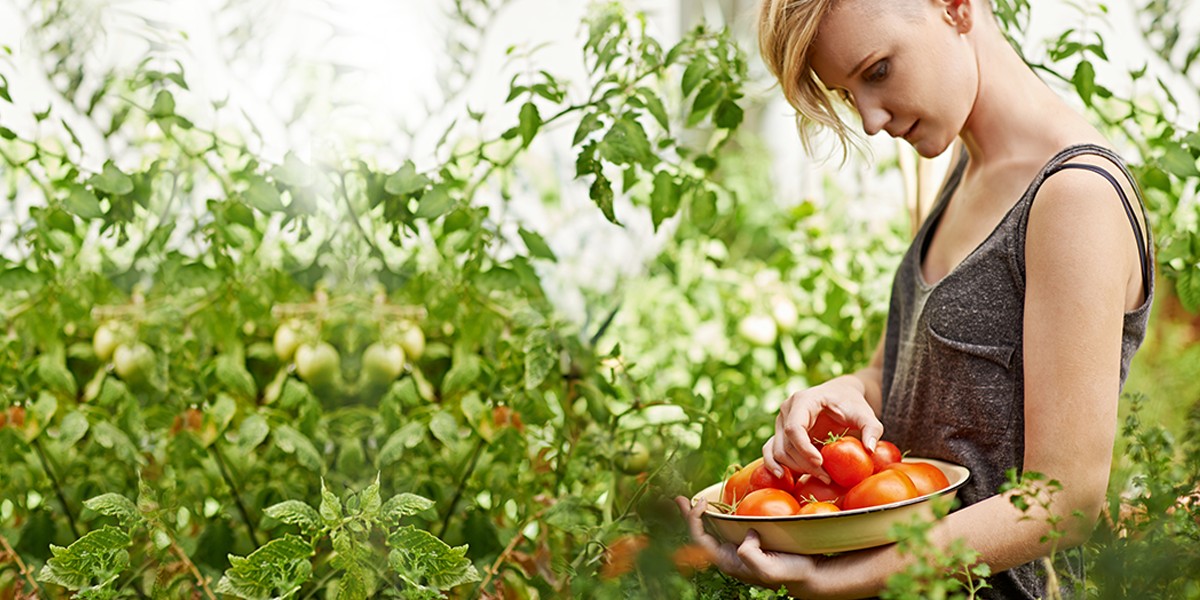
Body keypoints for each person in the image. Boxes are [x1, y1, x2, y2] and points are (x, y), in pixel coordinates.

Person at [675, 0, 1155, 598]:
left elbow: (1063, 501)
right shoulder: (965, 169)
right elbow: (896, 375)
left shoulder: (1076, 195)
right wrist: (844, 394)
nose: (870, 119)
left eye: (877, 71)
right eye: (848, 94)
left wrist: (837, 579)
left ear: (955, 8)